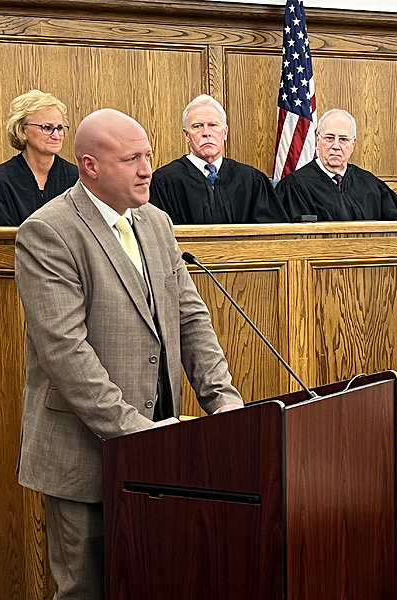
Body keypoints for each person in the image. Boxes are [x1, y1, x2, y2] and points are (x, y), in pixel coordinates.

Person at [15, 108, 243, 600]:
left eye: (148, 156)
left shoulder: (157, 222)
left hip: (162, 448)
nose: (147, 170)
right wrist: (138, 435)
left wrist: (222, 400)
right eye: (132, 159)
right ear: (90, 166)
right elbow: (65, 352)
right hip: (86, 456)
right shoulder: (49, 231)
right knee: (89, 591)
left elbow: (190, 319)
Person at [150, 94, 287, 223]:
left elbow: (273, 236)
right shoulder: (164, 181)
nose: (206, 133)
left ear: (225, 132)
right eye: (197, 126)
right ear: (187, 135)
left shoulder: (251, 180)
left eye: (213, 125)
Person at [276, 108, 397, 221]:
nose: (336, 146)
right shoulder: (294, 187)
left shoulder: (371, 185)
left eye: (343, 139)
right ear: (317, 140)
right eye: (329, 138)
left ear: (353, 144)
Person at [0, 90, 78, 225]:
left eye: (60, 128)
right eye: (47, 127)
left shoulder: (78, 179)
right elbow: (0, 240)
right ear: (22, 130)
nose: (56, 136)